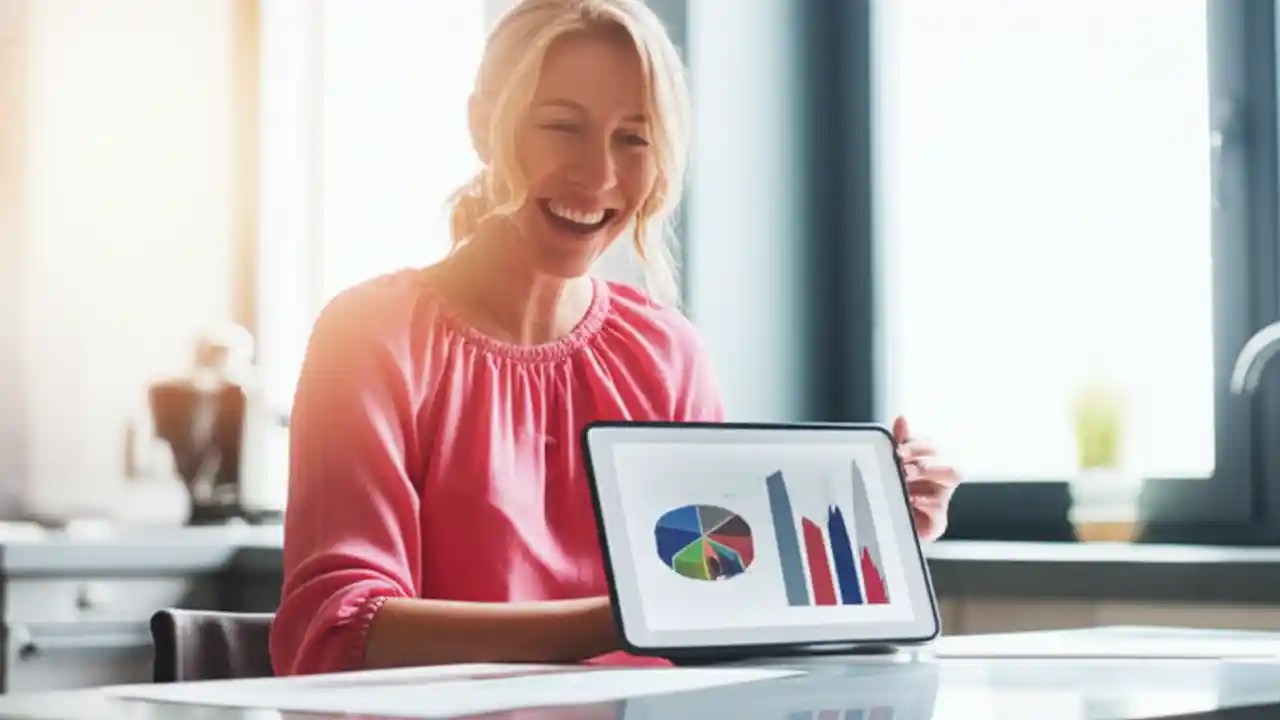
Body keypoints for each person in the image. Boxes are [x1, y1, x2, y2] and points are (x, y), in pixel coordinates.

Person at [269, 0, 961, 677]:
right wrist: (626, 618)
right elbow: (340, 631)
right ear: (482, 126)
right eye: (561, 126)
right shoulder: (372, 338)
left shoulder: (667, 355)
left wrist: (882, 537)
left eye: (633, 138)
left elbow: (721, 592)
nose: (598, 175)